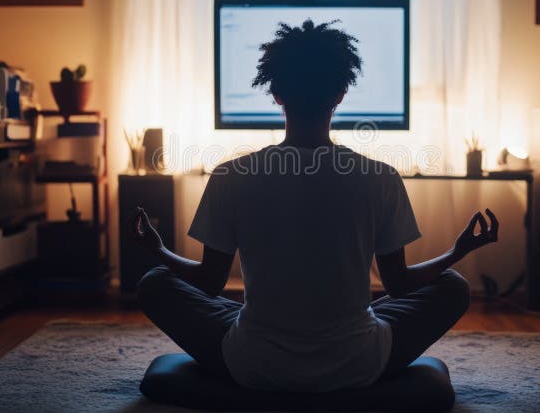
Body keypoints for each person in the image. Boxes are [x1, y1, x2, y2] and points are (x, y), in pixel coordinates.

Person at [131, 19, 499, 393]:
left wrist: (158, 249)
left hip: (253, 363)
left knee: (156, 283)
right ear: (340, 93)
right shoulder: (381, 177)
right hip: (359, 362)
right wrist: (457, 251)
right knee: (452, 286)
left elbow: (210, 283)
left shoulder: (230, 175)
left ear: (276, 93)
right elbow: (399, 284)